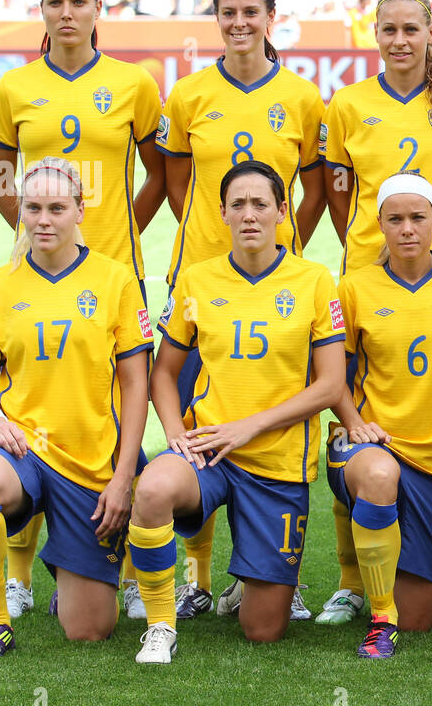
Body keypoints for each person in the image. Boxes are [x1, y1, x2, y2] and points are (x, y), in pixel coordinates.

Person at [0, 0, 165, 624]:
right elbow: (1, 172)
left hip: (117, 281)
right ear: (42, 9)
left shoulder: (134, 84)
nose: (66, 12)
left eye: (78, 0)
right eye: (54, 1)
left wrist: (113, 238)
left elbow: (164, 175)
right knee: (28, 413)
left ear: (97, 8)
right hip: (40, 282)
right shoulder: (15, 86)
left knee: (122, 413)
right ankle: (22, 576)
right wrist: (39, 237)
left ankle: (139, 568)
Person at [321, 0, 432, 626]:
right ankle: (348, 580)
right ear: (375, 33)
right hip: (368, 277)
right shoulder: (347, 105)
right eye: (387, 29)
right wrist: (363, 251)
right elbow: (341, 194)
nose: (399, 41)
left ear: (430, 32)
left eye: (410, 29)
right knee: (353, 417)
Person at [157, 0, 327, 621]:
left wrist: (285, 248)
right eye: (227, 12)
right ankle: (198, 579)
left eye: (250, 11)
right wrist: (214, 246)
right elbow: (178, 183)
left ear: (270, 17)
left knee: (277, 430)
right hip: (202, 287)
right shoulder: (189, 95)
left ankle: (271, 572)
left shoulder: (303, 99)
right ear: (216, 18)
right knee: (197, 432)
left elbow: (310, 190)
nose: (238, 23)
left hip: (279, 293)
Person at [127, 160, 346, 663]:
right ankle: (161, 626)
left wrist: (248, 427)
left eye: (261, 204)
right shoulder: (196, 280)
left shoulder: (314, 280)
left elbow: (331, 384)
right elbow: (163, 373)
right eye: (238, 204)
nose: (250, 214)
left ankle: (248, 584)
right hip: (208, 452)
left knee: (263, 631)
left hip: (278, 464)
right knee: (155, 486)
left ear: (282, 211)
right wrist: (176, 431)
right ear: (222, 212)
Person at [0, 157, 153, 658]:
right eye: (33, 207)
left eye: (56, 208)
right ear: (20, 210)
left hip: (90, 462)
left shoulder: (116, 280)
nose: (43, 219)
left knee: (89, 629)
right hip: (22, 448)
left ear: (79, 211)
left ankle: (70, 564)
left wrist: (123, 474)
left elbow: (137, 384)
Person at [327, 173, 432, 659]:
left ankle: (421, 586)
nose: (407, 229)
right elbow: (329, 373)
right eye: (395, 219)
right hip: (368, 447)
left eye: (417, 217)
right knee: (378, 473)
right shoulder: (353, 287)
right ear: (379, 223)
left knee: (419, 617)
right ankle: (376, 613)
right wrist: (354, 421)